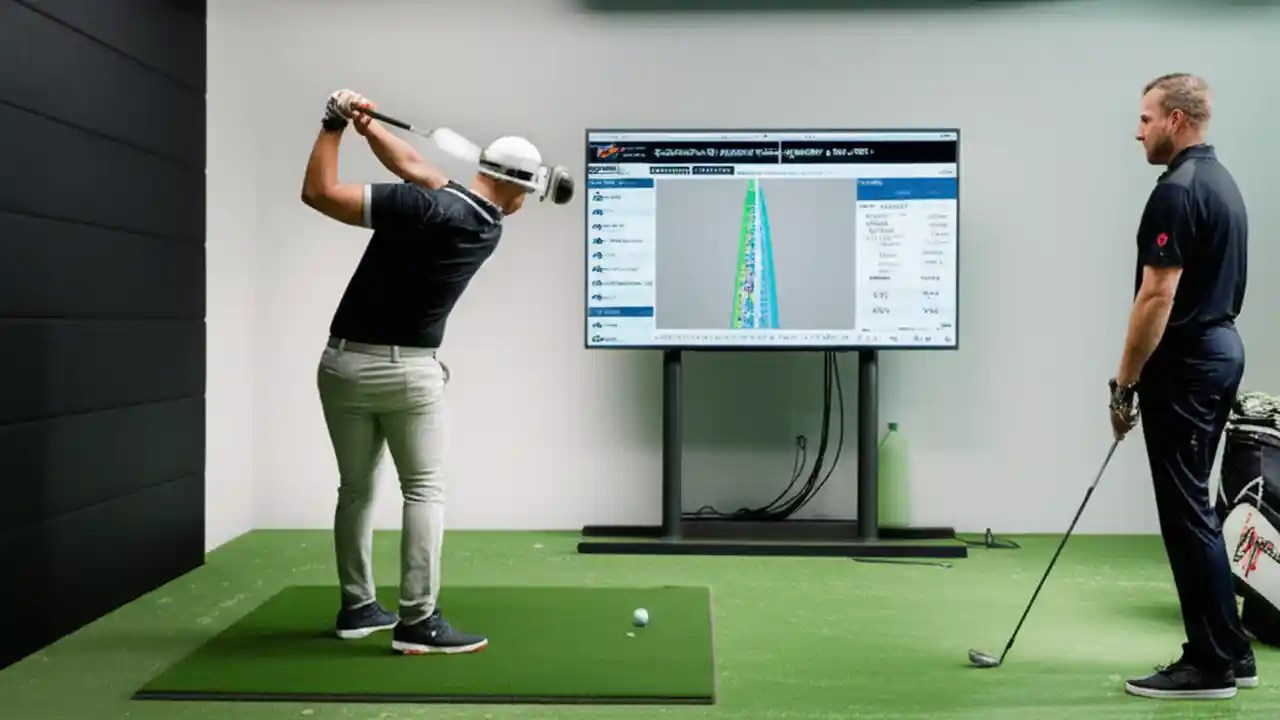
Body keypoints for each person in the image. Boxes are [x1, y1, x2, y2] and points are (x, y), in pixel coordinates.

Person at [299, 89, 544, 654]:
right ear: (513, 188)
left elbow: (323, 191)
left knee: (355, 489)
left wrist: (334, 125)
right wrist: (364, 126)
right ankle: (417, 622)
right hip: (408, 375)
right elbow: (419, 171)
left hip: (340, 364)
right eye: (526, 192)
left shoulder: (419, 205)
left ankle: (358, 607)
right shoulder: (480, 225)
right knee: (424, 491)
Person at [1109, 73, 1256, 699]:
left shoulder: (1177, 190)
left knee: (1186, 513)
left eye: (1145, 118)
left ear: (1175, 119)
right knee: (1194, 505)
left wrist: (1124, 384)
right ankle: (1234, 651)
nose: (1136, 130)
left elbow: (1156, 295)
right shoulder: (1219, 181)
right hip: (1217, 354)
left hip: (1190, 363)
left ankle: (1210, 664)